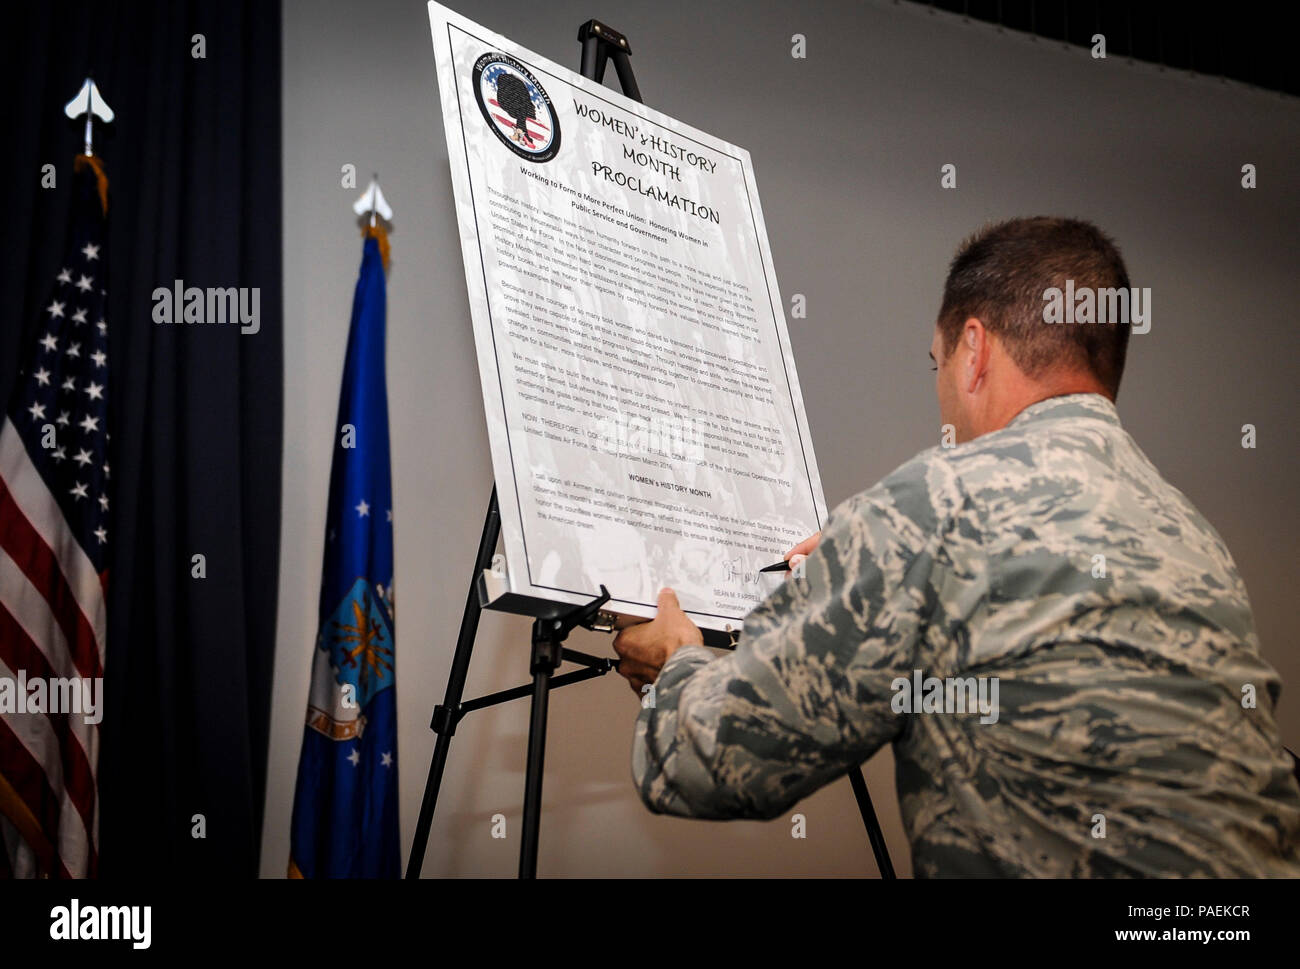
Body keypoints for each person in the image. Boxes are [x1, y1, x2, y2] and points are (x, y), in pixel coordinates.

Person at [612, 216, 1300, 877]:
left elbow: (713, 761)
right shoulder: (1192, 536)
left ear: (974, 351)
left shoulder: (935, 503)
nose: (941, 390)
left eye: (937, 362)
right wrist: (865, 573)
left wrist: (677, 659)